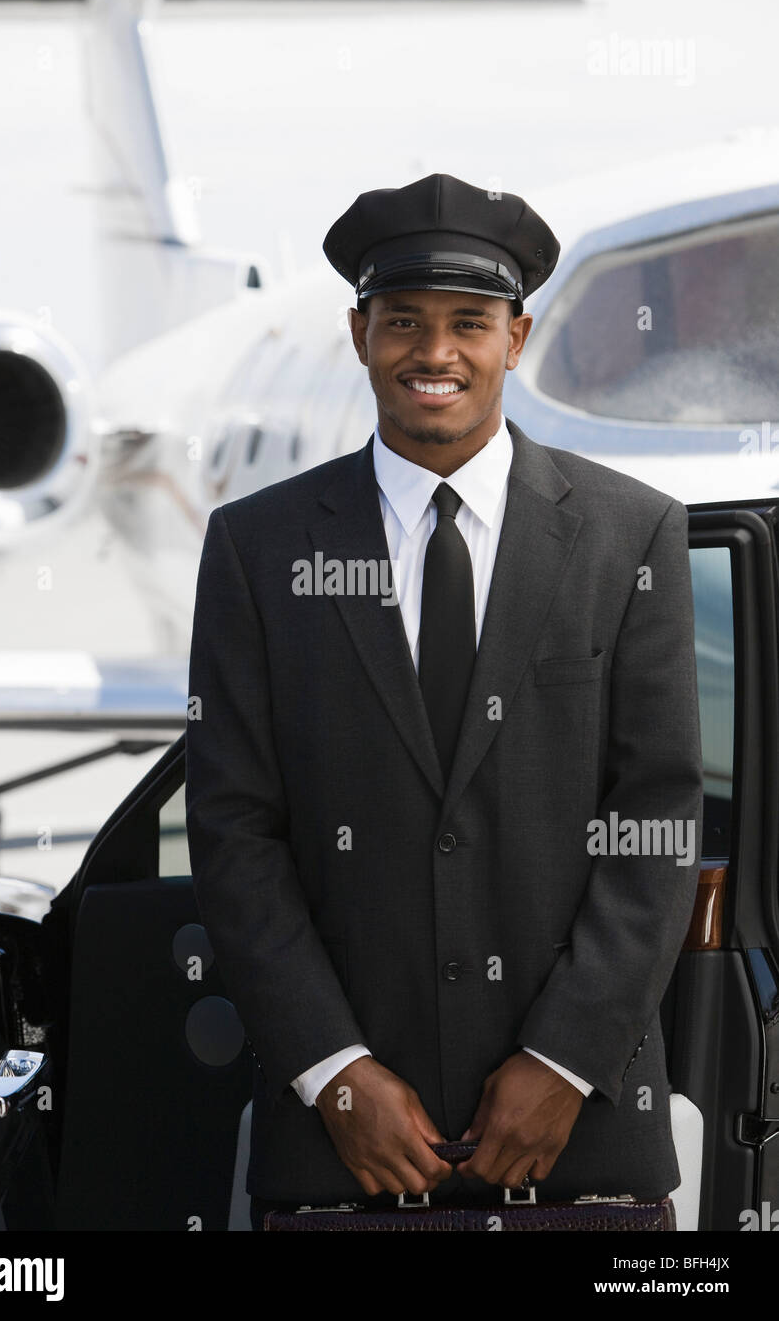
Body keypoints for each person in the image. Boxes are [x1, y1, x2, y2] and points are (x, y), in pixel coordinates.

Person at [185, 173, 703, 1232]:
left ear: (514, 339)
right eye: (401, 324)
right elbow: (234, 833)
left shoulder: (630, 535)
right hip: (345, 1161)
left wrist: (562, 1061)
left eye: (468, 324)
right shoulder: (258, 548)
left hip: (580, 1157)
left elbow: (652, 823)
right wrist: (335, 1073)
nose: (434, 355)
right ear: (358, 334)